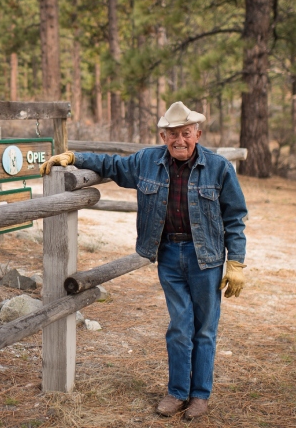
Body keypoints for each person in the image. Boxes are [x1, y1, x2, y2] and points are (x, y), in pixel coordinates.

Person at [40, 101, 247, 420]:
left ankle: (200, 395)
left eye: (186, 133)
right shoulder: (148, 162)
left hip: (206, 257)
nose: (180, 140)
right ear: (164, 136)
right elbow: (111, 164)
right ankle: (178, 392)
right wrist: (74, 156)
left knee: (204, 328)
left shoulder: (218, 168)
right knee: (180, 326)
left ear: (198, 134)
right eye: (173, 134)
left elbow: (235, 217)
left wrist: (237, 263)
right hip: (168, 255)